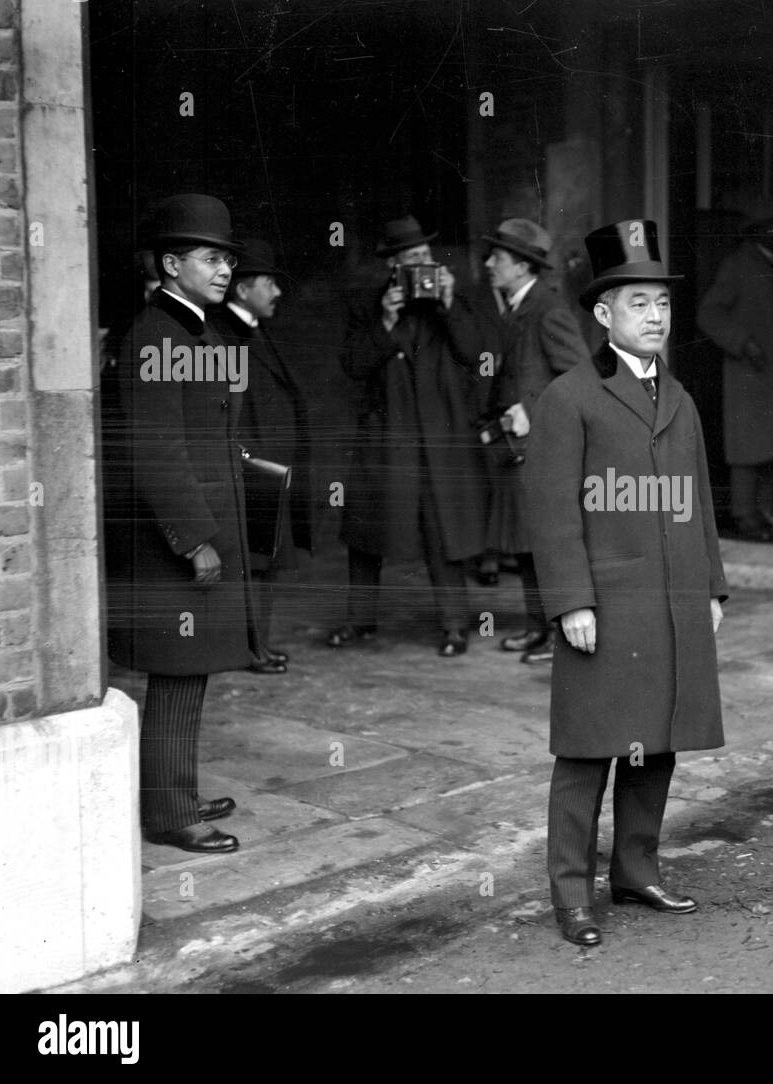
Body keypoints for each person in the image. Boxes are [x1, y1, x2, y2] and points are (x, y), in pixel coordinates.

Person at [523, 219, 727, 947]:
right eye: (638, 303)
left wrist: (711, 588)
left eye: (662, 304)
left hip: (672, 603)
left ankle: (636, 869)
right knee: (587, 751)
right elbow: (550, 515)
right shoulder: (569, 398)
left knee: (658, 742)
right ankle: (571, 893)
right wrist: (571, 602)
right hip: (605, 608)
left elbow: (699, 501)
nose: (656, 316)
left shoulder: (681, 398)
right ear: (603, 315)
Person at [102, 193, 249, 854]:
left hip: (194, 533)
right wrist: (194, 539)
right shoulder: (159, 334)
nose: (224, 270)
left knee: (189, 673)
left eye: (228, 259)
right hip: (175, 542)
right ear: (170, 263)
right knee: (178, 674)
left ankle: (175, 792)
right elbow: (157, 449)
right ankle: (169, 813)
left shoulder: (193, 329)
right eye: (210, 257)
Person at [328, 215, 486, 656]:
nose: (422, 265)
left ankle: (455, 627)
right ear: (393, 266)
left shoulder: (453, 301)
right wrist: (384, 319)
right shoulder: (369, 304)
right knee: (365, 531)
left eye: (425, 256)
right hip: (385, 439)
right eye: (411, 259)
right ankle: (359, 621)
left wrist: (450, 304)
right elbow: (353, 365)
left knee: (443, 533)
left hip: (438, 441)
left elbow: (476, 354)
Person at [477, 218, 589, 663]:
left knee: (544, 543)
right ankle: (537, 627)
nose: (489, 265)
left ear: (523, 267)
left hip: (542, 448)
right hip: (517, 449)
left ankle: (556, 636)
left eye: (498, 258)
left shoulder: (547, 309)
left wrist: (532, 406)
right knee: (526, 543)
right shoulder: (516, 306)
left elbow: (580, 375)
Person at [214, 238, 312, 674]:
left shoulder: (254, 329)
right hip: (252, 468)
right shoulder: (225, 335)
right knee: (253, 563)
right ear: (242, 289)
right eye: (268, 283)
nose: (276, 292)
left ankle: (259, 645)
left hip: (270, 470)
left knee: (263, 562)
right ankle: (251, 648)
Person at [696, 194, 773, 542]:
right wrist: (743, 343)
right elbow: (709, 313)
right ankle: (745, 515)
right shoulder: (738, 264)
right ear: (756, 232)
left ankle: (766, 512)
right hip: (749, 373)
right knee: (749, 449)